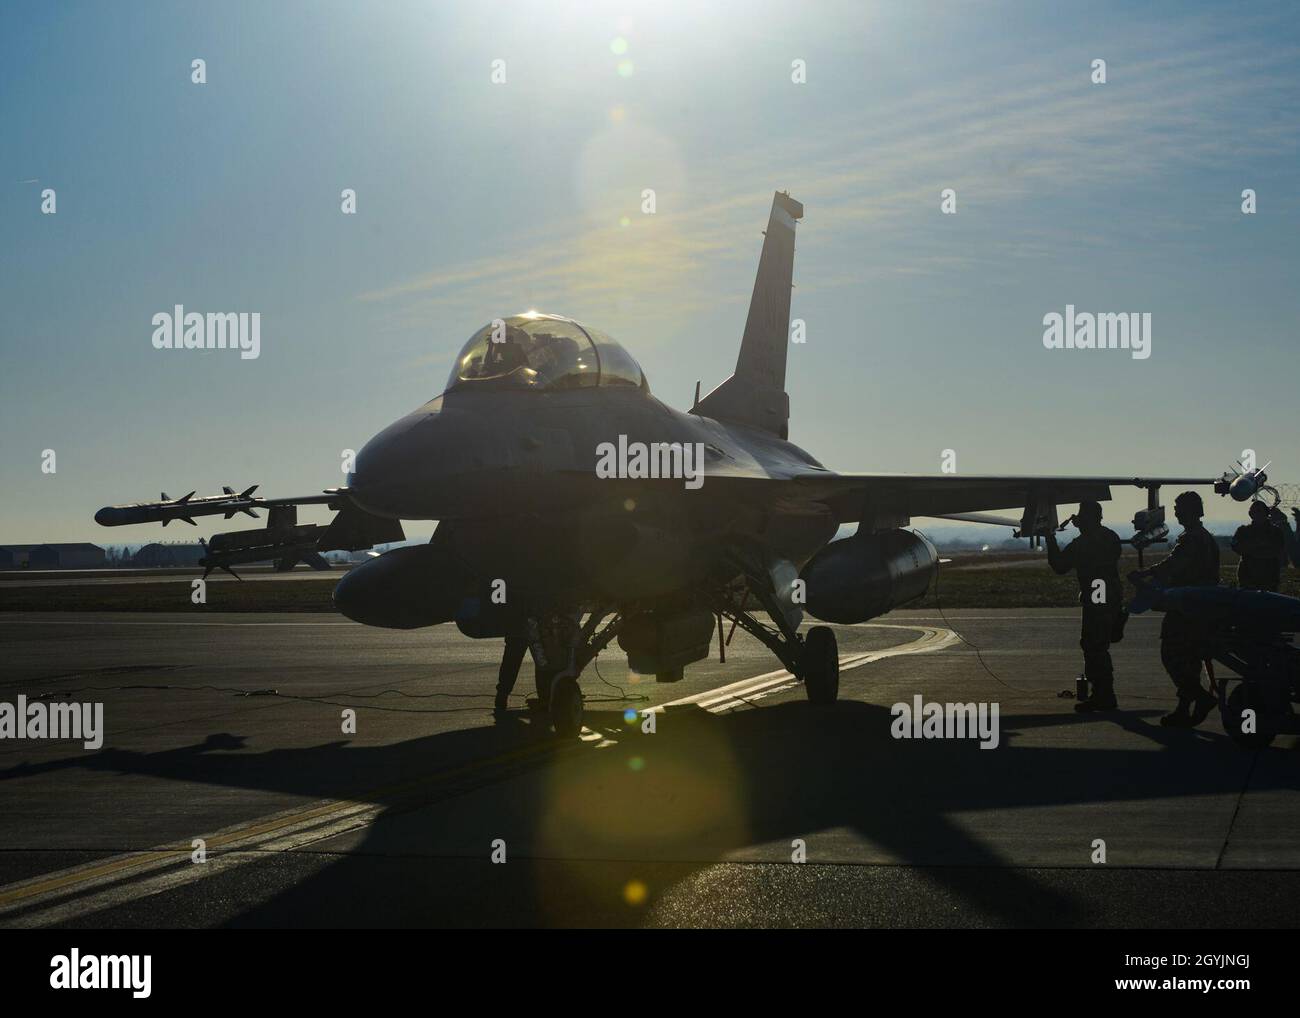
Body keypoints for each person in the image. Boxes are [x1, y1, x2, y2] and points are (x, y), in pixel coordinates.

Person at [1129, 491, 1220, 728]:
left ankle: (1200, 698)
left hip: (1187, 607)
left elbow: (1174, 565)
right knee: (1189, 660)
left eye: (1180, 508)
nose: (1177, 513)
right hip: (1201, 606)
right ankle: (1183, 709)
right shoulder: (1204, 537)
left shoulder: (1191, 539)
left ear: (1191, 511)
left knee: (1172, 656)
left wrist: (1145, 574)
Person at [1046, 500, 1124, 712]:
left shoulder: (1084, 543)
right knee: (1099, 645)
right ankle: (1102, 693)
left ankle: (1103, 695)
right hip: (1111, 594)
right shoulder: (1111, 537)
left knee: (1094, 646)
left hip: (1097, 597)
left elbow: (1060, 566)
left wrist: (1050, 537)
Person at [1230, 500, 1285, 591]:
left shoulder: (1275, 532)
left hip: (1269, 577)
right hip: (1247, 577)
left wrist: (1253, 549)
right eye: (1254, 511)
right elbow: (1235, 545)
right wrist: (1254, 547)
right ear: (1250, 514)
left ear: (1266, 513)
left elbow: (1278, 550)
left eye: (1259, 511)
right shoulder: (1243, 531)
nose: (1256, 514)